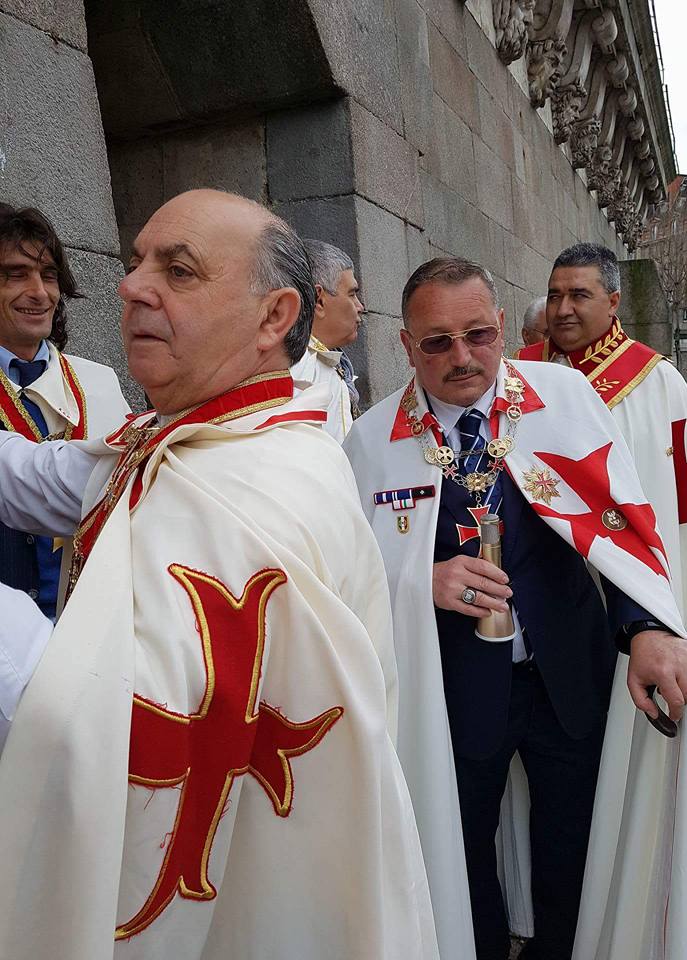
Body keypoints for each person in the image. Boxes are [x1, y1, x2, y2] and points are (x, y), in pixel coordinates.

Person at [0, 190, 439, 960]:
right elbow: (44, 476)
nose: (133, 285)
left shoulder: (270, 489)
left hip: (230, 895)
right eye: (137, 262)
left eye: (179, 270)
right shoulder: (189, 431)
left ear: (274, 317)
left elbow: (115, 714)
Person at [343, 257, 687, 960]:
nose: (462, 357)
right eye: (437, 342)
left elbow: (623, 526)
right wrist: (415, 581)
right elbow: (342, 575)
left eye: (480, 334)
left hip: (566, 681)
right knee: (457, 858)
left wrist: (644, 629)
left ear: (502, 325)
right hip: (451, 694)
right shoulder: (369, 441)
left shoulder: (564, 397)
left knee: (571, 854)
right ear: (404, 344)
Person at [516, 242, 687, 960]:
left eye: (581, 295)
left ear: (612, 303)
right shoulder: (523, 377)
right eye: (556, 294)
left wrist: (663, 609)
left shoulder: (652, 386)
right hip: (531, 622)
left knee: (612, 785)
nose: (566, 308)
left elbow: (679, 511)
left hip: (624, 616)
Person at [0, 204, 128, 618]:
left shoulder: (99, 381)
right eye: (16, 274)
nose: (40, 292)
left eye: (49, 275)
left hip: (88, 630)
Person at [290, 239, 364, 440]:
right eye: (352, 294)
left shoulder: (324, 361)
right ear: (319, 300)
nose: (360, 306)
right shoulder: (299, 370)